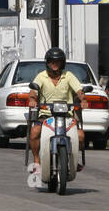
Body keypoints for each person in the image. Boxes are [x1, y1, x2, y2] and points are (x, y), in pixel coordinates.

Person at [27, 47, 83, 189]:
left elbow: (79, 90)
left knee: (81, 135)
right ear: (47, 62)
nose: (54, 64)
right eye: (52, 61)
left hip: (66, 116)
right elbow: (33, 91)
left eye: (57, 62)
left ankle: (74, 159)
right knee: (34, 132)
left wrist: (83, 99)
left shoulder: (68, 75)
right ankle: (37, 160)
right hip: (46, 114)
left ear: (62, 63)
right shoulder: (41, 76)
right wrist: (33, 99)